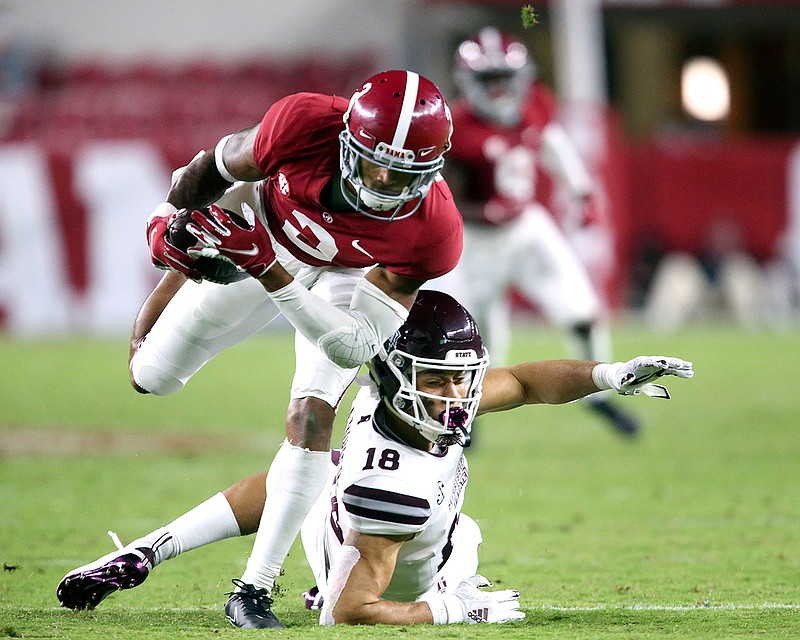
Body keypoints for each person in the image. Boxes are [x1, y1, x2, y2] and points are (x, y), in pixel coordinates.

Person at [58, 291, 694, 626]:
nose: (457, 396)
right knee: (396, 533)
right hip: (388, 560)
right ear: (396, 375)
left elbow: (527, 382)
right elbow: (347, 615)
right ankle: (284, 583)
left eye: (461, 378)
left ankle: (148, 549)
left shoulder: (401, 392)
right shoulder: (394, 485)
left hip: (344, 518)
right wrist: (446, 609)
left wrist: (608, 373)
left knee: (303, 475)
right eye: (439, 380)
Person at [129, 69, 463, 627]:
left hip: (346, 279)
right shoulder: (304, 123)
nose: (385, 182)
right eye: (376, 161)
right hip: (258, 231)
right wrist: (170, 229)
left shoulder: (434, 231)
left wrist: (269, 269)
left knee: (313, 414)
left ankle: (253, 589)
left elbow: (355, 345)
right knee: (151, 375)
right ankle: (179, 291)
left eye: (406, 173)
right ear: (348, 140)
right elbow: (208, 172)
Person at [436, 26, 640, 437]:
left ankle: (600, 396)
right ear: (468, 83)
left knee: (582, 314)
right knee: (468, 340)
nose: (498, 89)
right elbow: (435, 190)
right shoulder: (453, 127)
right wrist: (465, 210)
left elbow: (553, 145)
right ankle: (462, 420)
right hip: (474, 238)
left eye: (504, 78)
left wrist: (582, 192)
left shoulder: (535, 106)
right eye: (487, 79)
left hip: (527, 227)